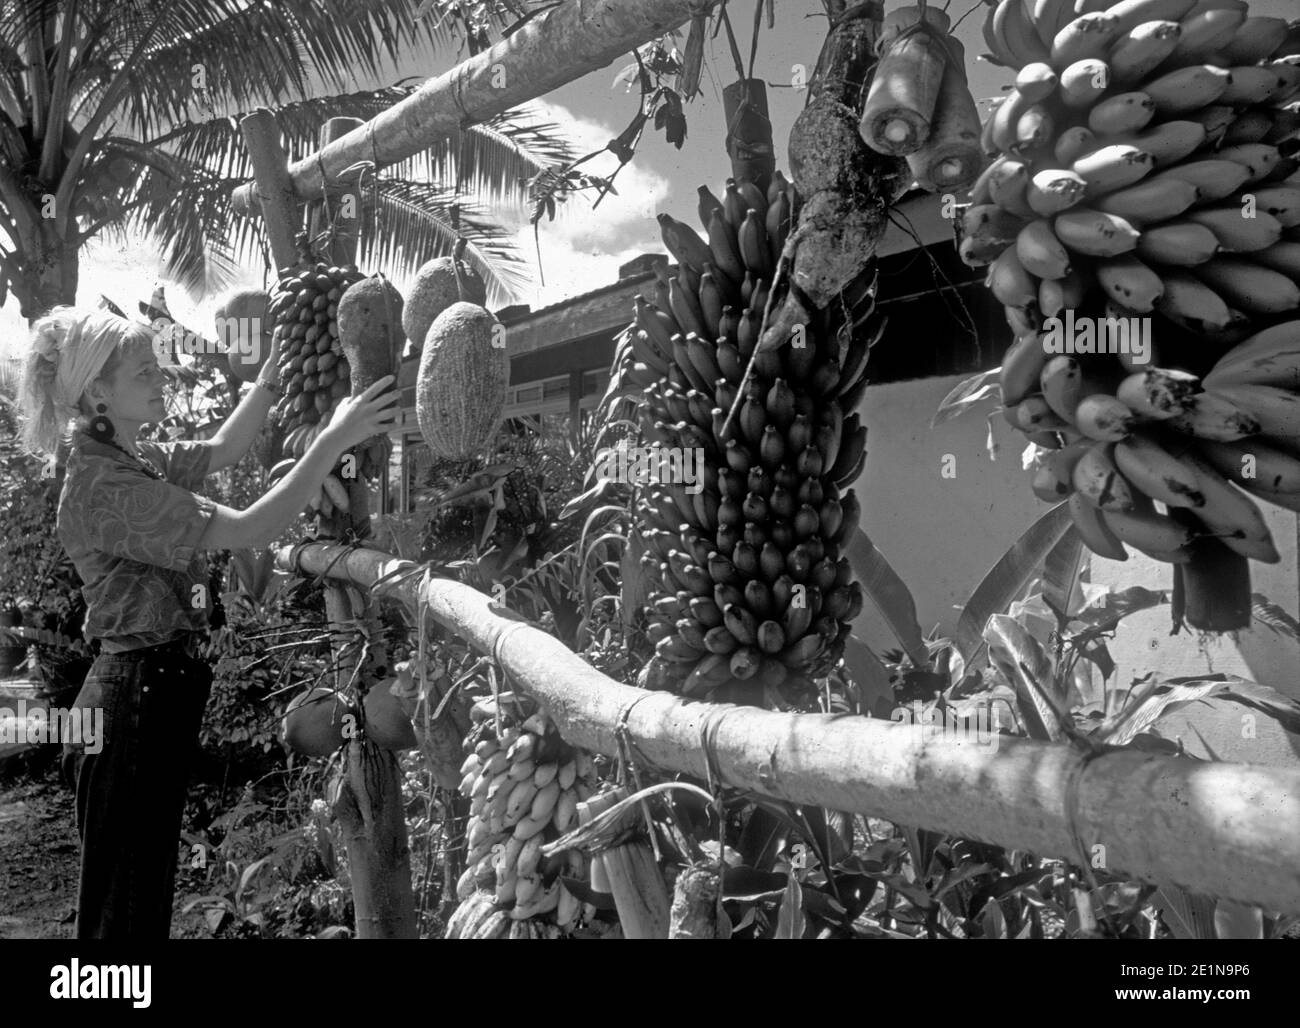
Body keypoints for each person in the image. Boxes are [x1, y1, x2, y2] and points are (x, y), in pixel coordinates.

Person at [18, 305, 398, 939]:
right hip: (130, 703)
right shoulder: (106, 483)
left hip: (147, 693)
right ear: (99, 391)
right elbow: (253, 526)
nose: (160, 379)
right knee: (124, 914)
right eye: (145, 372)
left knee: (138, 899)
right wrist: (333, 437)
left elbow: (224, 448)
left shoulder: (134, 456)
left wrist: (276, 373)